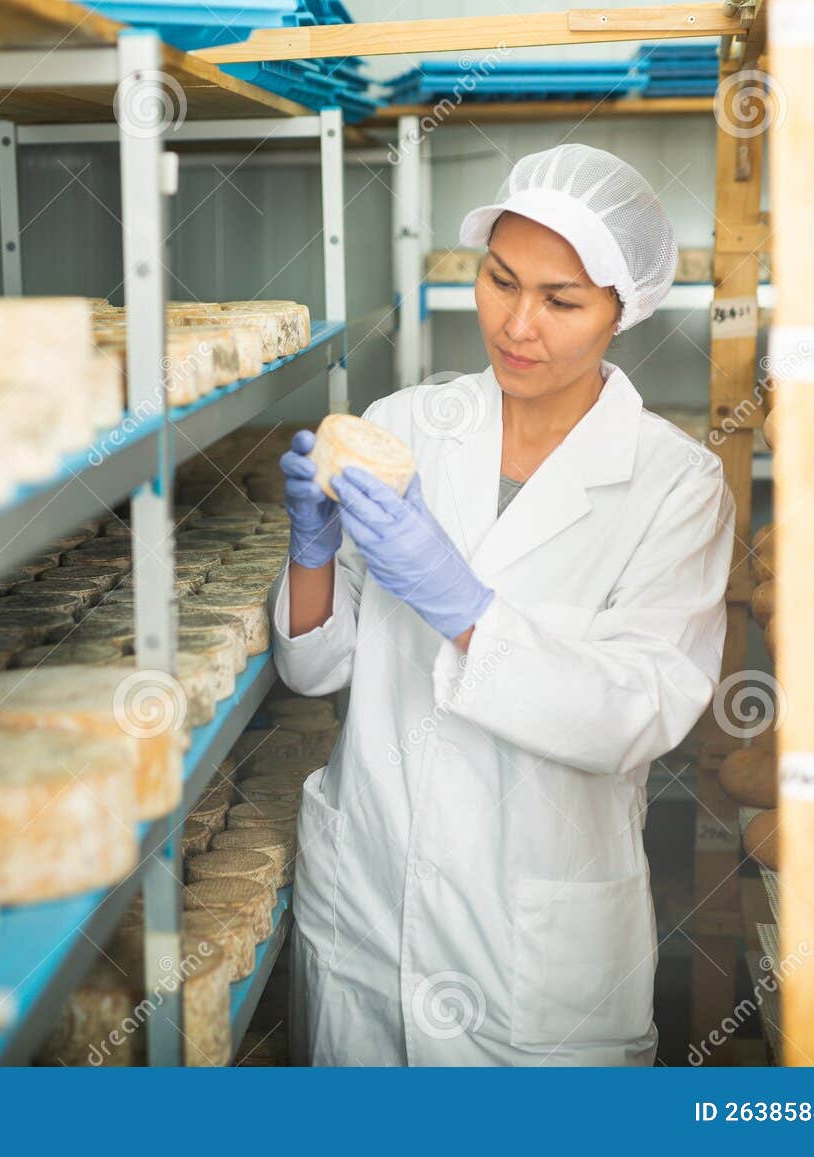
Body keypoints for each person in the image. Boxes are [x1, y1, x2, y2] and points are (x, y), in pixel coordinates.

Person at [269, 143, 736, 1066]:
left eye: (561, 301)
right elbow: (314, 667)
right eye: (499, 280)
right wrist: (312, 548)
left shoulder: (675, 484)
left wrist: (463, 605)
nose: (518, 324)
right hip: (367, 910)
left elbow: (637, 712)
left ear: (623, 309)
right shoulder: (405, 425)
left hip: (535, 948)